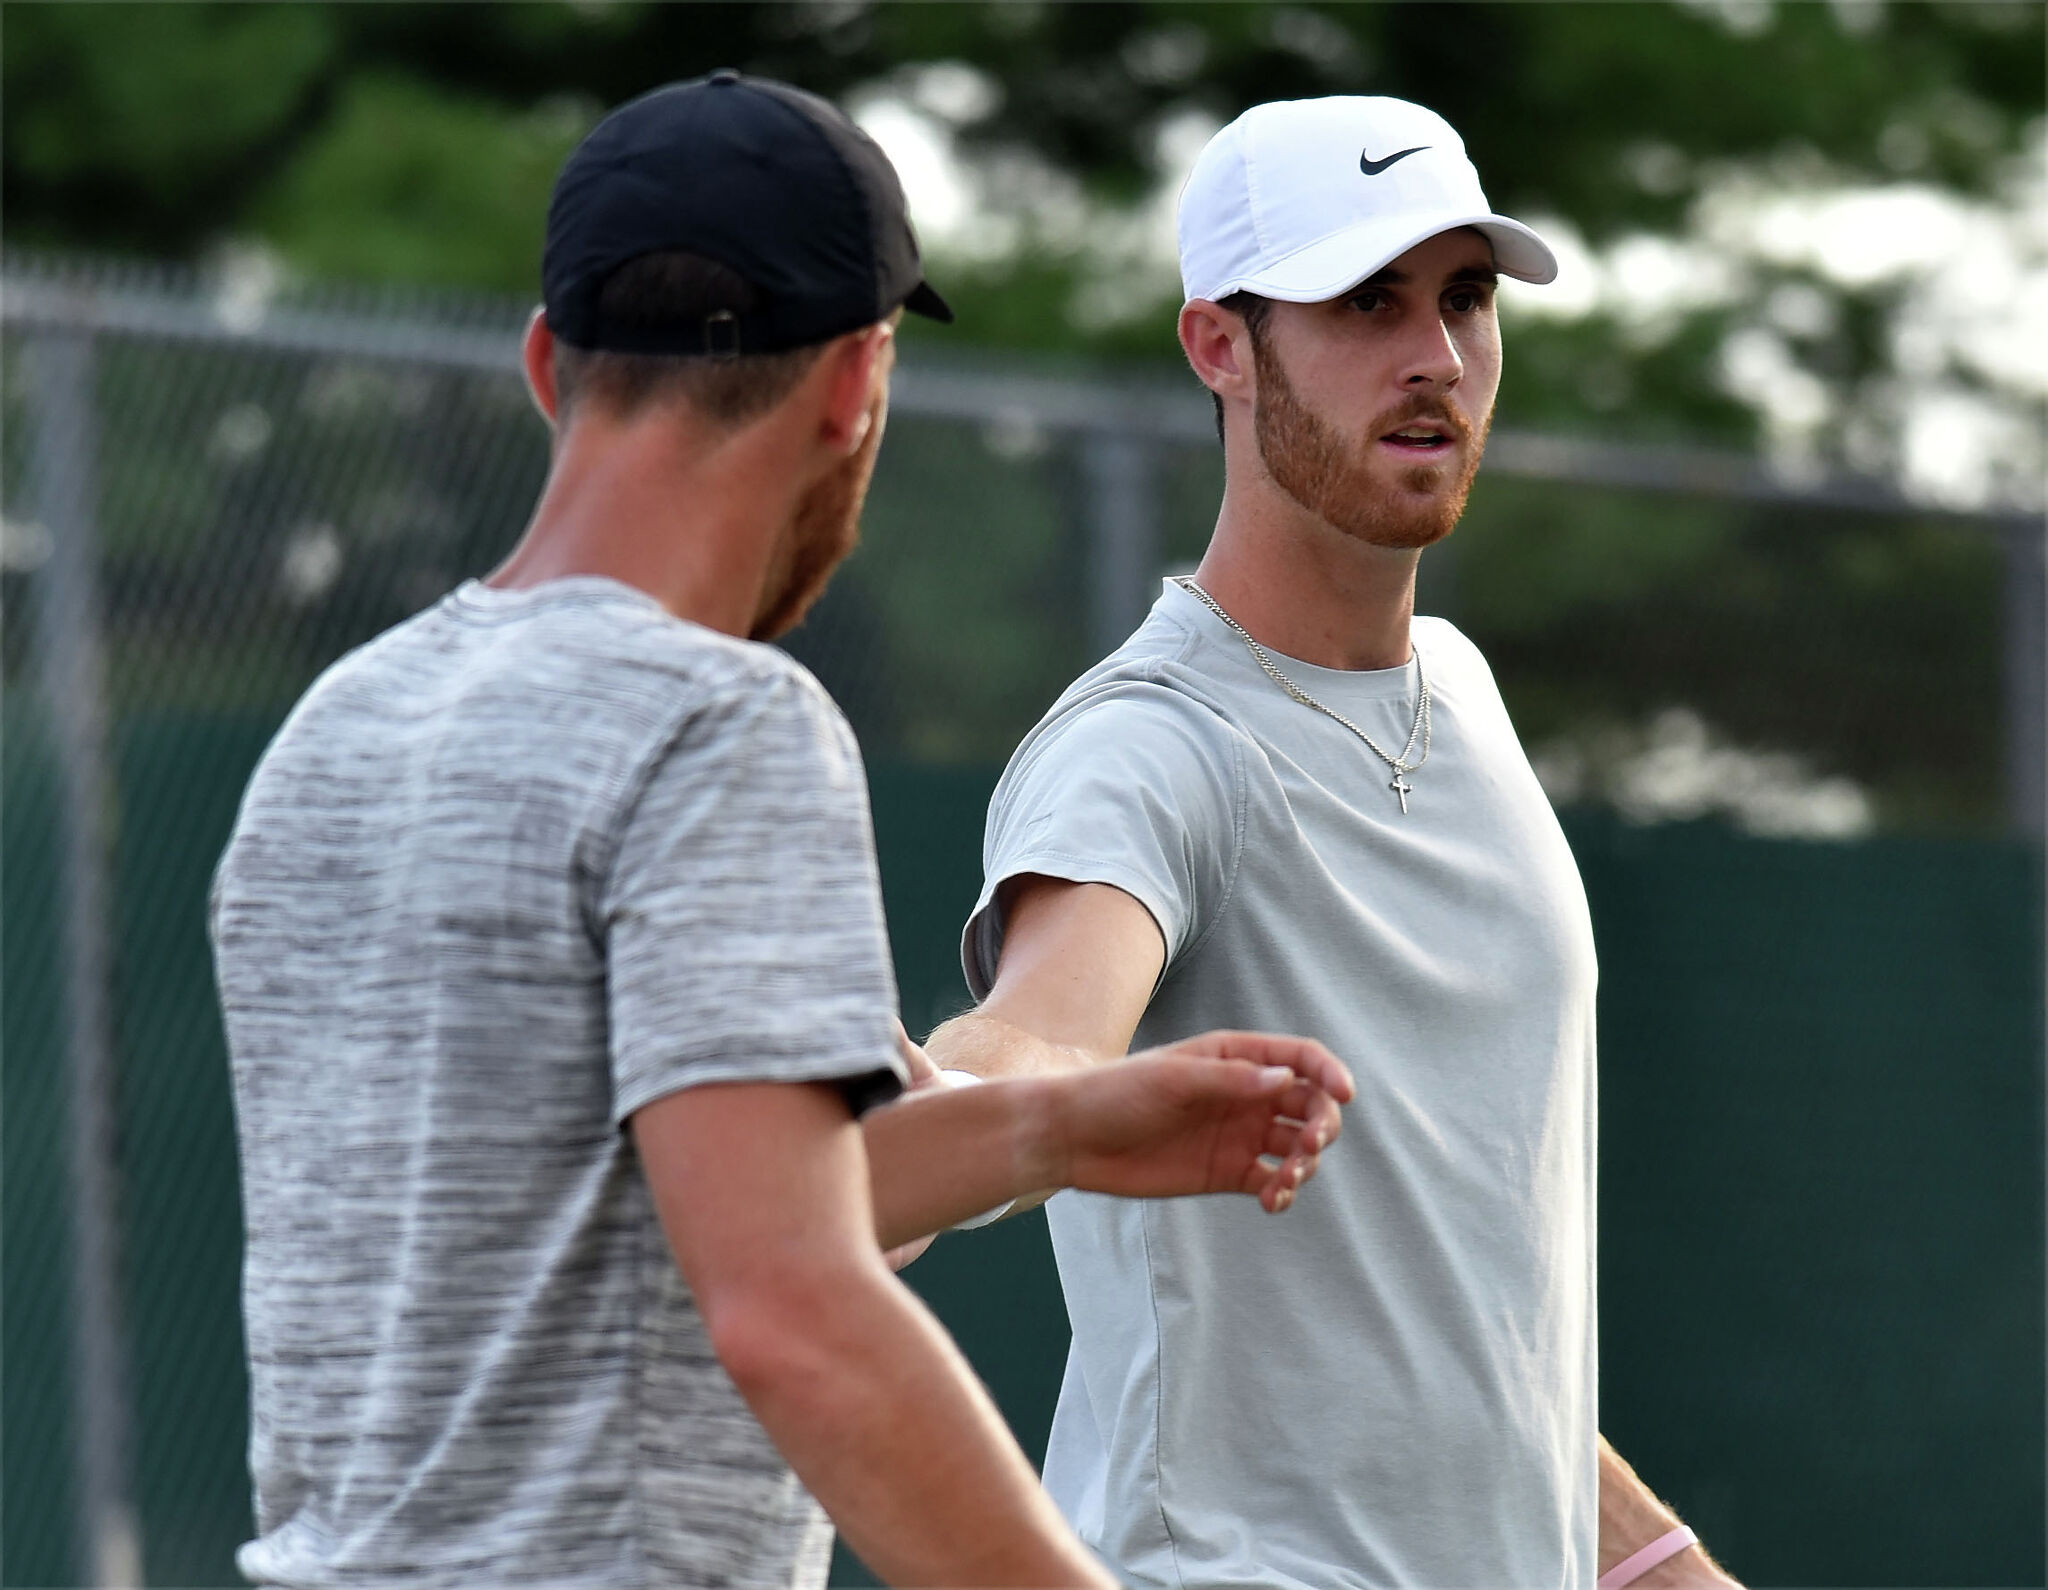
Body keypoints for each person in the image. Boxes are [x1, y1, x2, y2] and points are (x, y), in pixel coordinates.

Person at [208, 73, 1354, 1590]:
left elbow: (691, 1203)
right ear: (855, 387)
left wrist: (1058, 1124)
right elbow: (791, 1301)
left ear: (550, 363)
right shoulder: (717, 723)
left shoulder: (336, 732)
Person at [928, 95, 1742, 1589]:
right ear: (1219, 347)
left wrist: (1665, 1566)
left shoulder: (1469, 699)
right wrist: (903, 1131)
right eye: (1367, 299)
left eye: (1465, 297)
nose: (1433, 353)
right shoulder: (1148, 746)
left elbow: (1462, 1332)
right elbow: (1032, 1044)